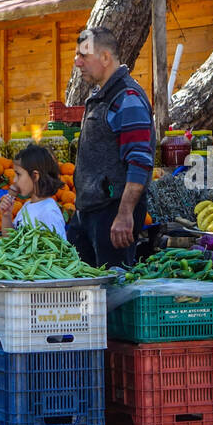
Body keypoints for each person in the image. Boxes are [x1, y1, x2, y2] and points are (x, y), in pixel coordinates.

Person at [68, 26, 155, 267]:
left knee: (113, 294)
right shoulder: (101, 97)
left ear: (105, 57)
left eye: (83, 55)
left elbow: (139, 162)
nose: (77, 63)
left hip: (113, 215)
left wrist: (125, 214)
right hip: (90, 212)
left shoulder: (127, 99)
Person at [0, 144, 67, 238]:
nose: (14, 180)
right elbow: (10, 241)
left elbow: (55, 250)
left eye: (18, 174)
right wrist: (6, 216)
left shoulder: (49, 213)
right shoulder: (27, 206)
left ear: (35, 176)